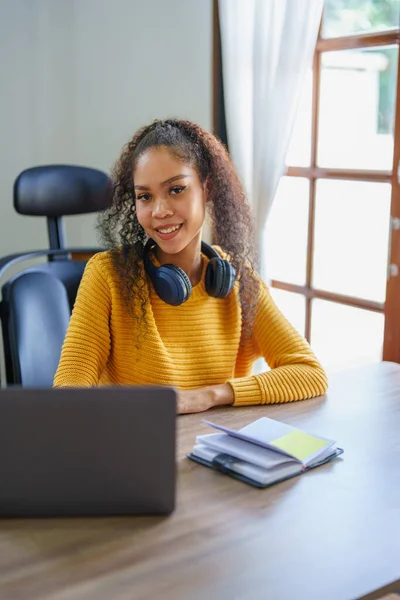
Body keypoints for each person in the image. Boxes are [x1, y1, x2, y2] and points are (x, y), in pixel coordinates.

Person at [54, 118, 328, 413]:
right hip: (134, 449)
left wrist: (209, 395)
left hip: (213, 449)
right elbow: (69, 392)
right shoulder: (107, 274)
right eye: (145, 196)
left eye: (176, 189)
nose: (159, 211)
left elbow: (309, 373)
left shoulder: (237, 279)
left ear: (206, 188)